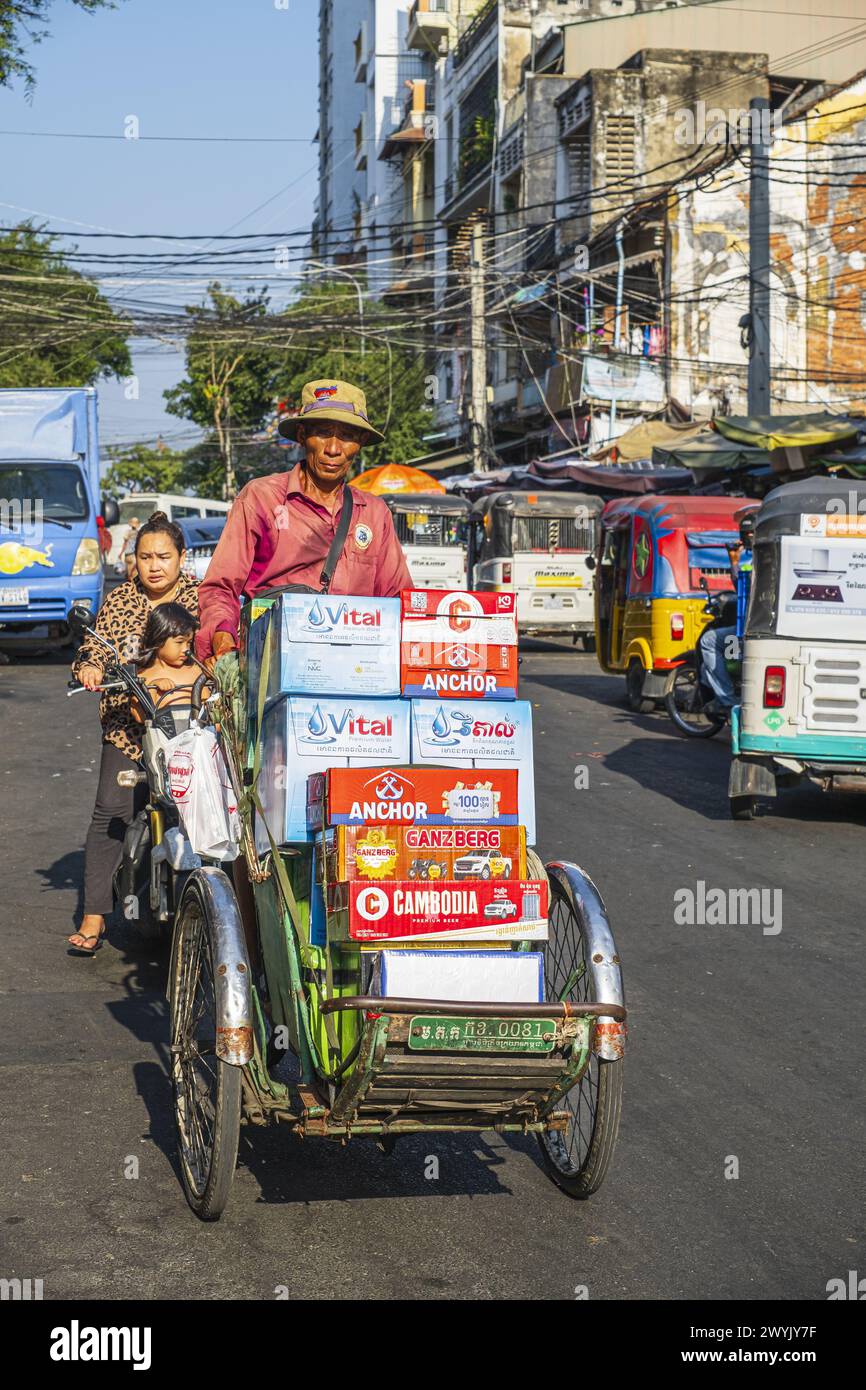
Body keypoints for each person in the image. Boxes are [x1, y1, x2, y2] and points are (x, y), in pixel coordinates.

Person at [196, 379, 413, 665]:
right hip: (271, 666)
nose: (333, 449)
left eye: (347, 436)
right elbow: (220, 587)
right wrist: (223, 639)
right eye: (323, 434)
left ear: (359, 443)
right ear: (302, 435)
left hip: (357, 671)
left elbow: (399, 600)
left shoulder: (374, 513)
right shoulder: (261, 498)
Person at [67, 513, 200, 955]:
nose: (155, 565)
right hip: (127, 728)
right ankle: (94, 914)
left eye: (164, 556)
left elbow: (222, 649)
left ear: (182, 558)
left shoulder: (202, 600)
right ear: (134, 560)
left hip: (190, 730)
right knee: (110, 813)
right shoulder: (120, 600)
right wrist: (88, 666)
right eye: (145, 557)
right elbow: (94, 647)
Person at [699, 511, 756, 711]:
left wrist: (733, 562)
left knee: (708, 641)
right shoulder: (768, 557)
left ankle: (727, 700)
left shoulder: (753, 563)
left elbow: (742, 587)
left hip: (750, 629)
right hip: (760, 627)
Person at [131, 603, 212, 720]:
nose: (186, 649)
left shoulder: (194, 671)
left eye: (189, 642)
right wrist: (152, 687)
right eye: (179, 642)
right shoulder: (143, 676)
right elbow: (140, 717)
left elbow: (209, 708)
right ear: (158, 639)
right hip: (160, 737)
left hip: (199, 736)